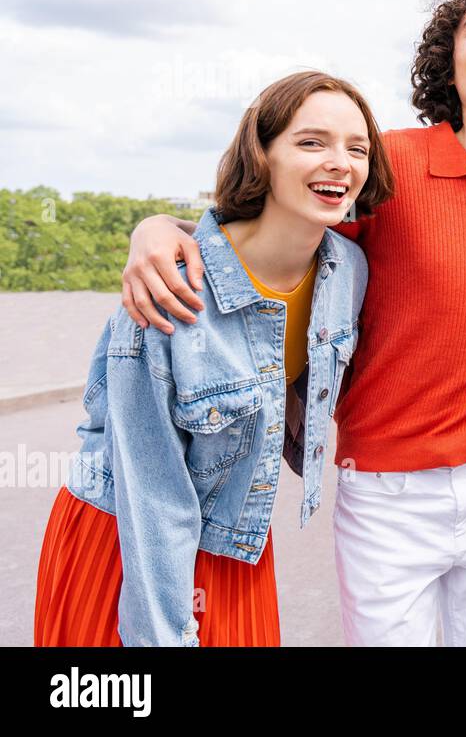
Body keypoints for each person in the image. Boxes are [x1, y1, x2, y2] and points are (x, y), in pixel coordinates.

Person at [116, 0, 466, 646]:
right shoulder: (388, 163)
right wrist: (159, 227)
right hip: (388, 492)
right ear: (448, 70)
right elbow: (276, 231)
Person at [34, 71, 394, 646]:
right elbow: (149, 495)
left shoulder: (346, 270)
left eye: (357, 149)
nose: (340, 162)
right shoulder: (169, 296)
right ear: (263, 156)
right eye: (311, 142)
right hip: (127, 540)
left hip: (235, 535)